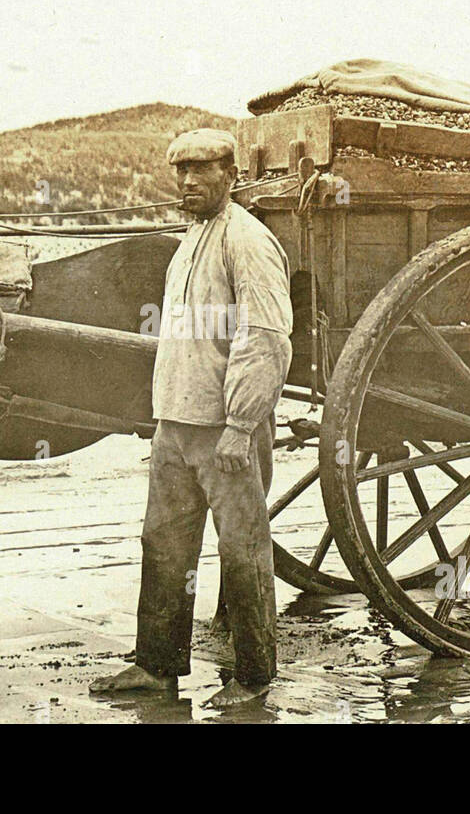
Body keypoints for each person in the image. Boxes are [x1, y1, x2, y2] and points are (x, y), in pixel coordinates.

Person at [90, 129, 293, 708]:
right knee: (164, 546)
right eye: (180, 171)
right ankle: (156, 666)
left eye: (201, 170)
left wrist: (240, 424)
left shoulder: (247, 241)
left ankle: (253, 677)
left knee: (243, 549)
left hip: (222, 433)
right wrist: (163, 419)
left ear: (231, 174)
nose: (188, 182)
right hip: (175, 428)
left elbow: (268, 337)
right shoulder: (192, 239)